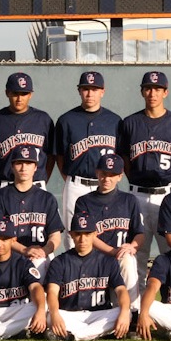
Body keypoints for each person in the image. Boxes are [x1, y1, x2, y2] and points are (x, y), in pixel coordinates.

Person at [117, 70, 171, 289]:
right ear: (142, 92)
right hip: (138, 194)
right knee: (136, 252)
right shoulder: (130, 123)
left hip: (168, 195)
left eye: (157, 89)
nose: (152, 93)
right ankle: (136, 305)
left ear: (165, 92)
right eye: (148, 89)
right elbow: (124, 159)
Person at [54, 71, 121, 249]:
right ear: (79, 91)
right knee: (73, 236)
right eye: (86, 89)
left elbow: (120, 156)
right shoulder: (66, 120)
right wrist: (71, 179)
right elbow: (60, 156)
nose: (90, 94)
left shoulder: (114, 121)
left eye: (94, 89)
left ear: (102, 91)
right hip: (76, 185)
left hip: (106, 185)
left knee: (106, 233)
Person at [72, 154, 144, 310]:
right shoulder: (84, 201)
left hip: (120, 257)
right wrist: (113, 251)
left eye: (112, 175)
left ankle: (133, 312)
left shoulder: (129, 200)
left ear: (120, 176)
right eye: (104, 173)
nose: (107, 179)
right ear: (97, 172)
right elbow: (87, 236)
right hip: (95, 258)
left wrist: (132, 246)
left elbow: (139, 233)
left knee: (127, 258)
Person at [45, 212, 131, 341]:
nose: (82, 239)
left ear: (95, 234)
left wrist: (124, 312)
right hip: (70, 315)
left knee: (126, 313)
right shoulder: (59, 262)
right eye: (78, 234)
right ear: (71, 234)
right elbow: (52, 292)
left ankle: (74, 335)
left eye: (87, 234)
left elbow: (121, 290)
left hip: (99, 314)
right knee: (49, 316)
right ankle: (96, 333)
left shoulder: (108, 261)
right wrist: (55, 314)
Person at [0, 146, 63, 275]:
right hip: (9, 254)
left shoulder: (47, 198)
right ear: (12, 166)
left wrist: (44, 251)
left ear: (35, 167)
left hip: (39, 256)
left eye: (28, 163)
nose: (23, 168)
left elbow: (55, 236)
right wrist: (25, 250)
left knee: (38, 262)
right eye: (19, 163)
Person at [0, 72, 55, 189]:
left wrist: (43, 178)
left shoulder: (43, 119)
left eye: (24, 94)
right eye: (15, 93)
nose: (19, 98)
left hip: (36, 184)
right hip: (5, 184)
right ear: (7, 93)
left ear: (30, 94)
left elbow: (51, 155)